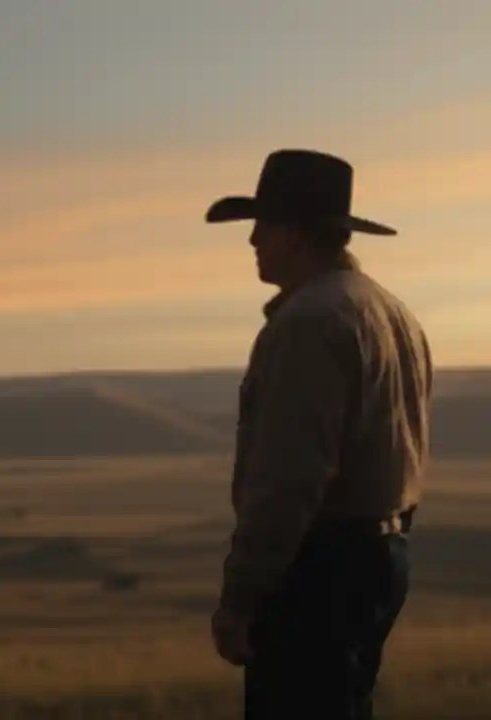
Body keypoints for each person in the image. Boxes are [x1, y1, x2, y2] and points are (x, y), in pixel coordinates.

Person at [204, 149, 433, 719]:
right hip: (381, 555)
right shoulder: (391, 312)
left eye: (264, 225)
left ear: (298, 234)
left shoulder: (310, 322)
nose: (253, 239)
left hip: (319, 569)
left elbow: (288, 480)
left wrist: (242, 598)